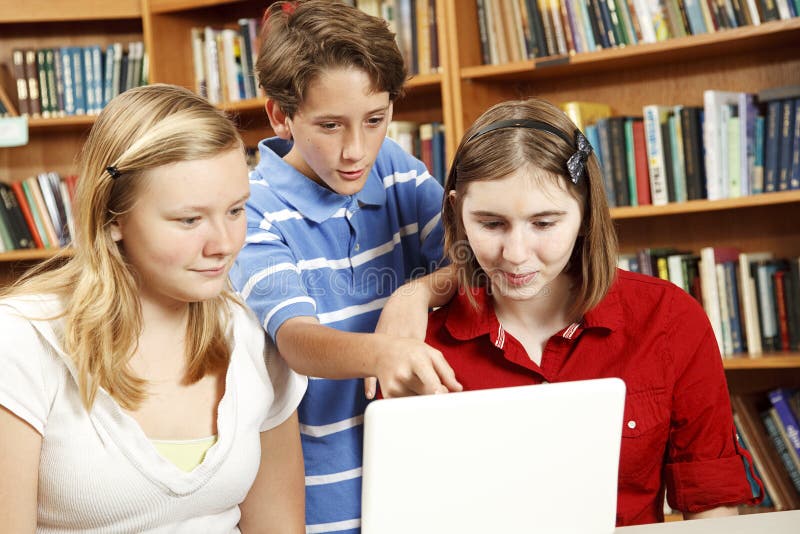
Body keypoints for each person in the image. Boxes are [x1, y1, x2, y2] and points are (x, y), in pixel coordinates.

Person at [423, 97, 762, 526]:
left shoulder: (669, 319)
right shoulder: (422, 342)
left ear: (584, 213)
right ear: (456, 210)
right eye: (491, 224)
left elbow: (711, 506)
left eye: (544, 223)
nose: (515, 253)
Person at [0, 84, 307, 533]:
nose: (223, 244)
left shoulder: (249, 333)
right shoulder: (21, 341)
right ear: (113, 218)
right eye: (189, 219)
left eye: (236, 210)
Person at [229, 1, 461, 531]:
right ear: (280, 115)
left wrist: (417, 293)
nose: (357, 150)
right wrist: (385, 352)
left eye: (375, 120)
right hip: (320, 498)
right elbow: (297, 341)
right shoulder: (252, 205)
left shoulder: (396, 169)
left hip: (424, 482)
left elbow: (470, 264)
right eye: (330, 125)